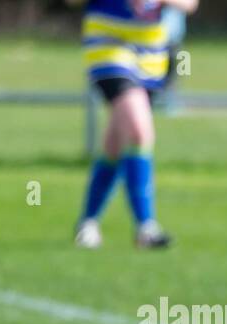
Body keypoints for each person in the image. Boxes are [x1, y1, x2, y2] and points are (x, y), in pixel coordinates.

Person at [72, 0, 198, 250]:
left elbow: (189, 4)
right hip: (109, 45)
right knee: (140, 131)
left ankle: (87, 223)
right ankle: (146, 227)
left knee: (115, 143)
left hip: (151, 54)